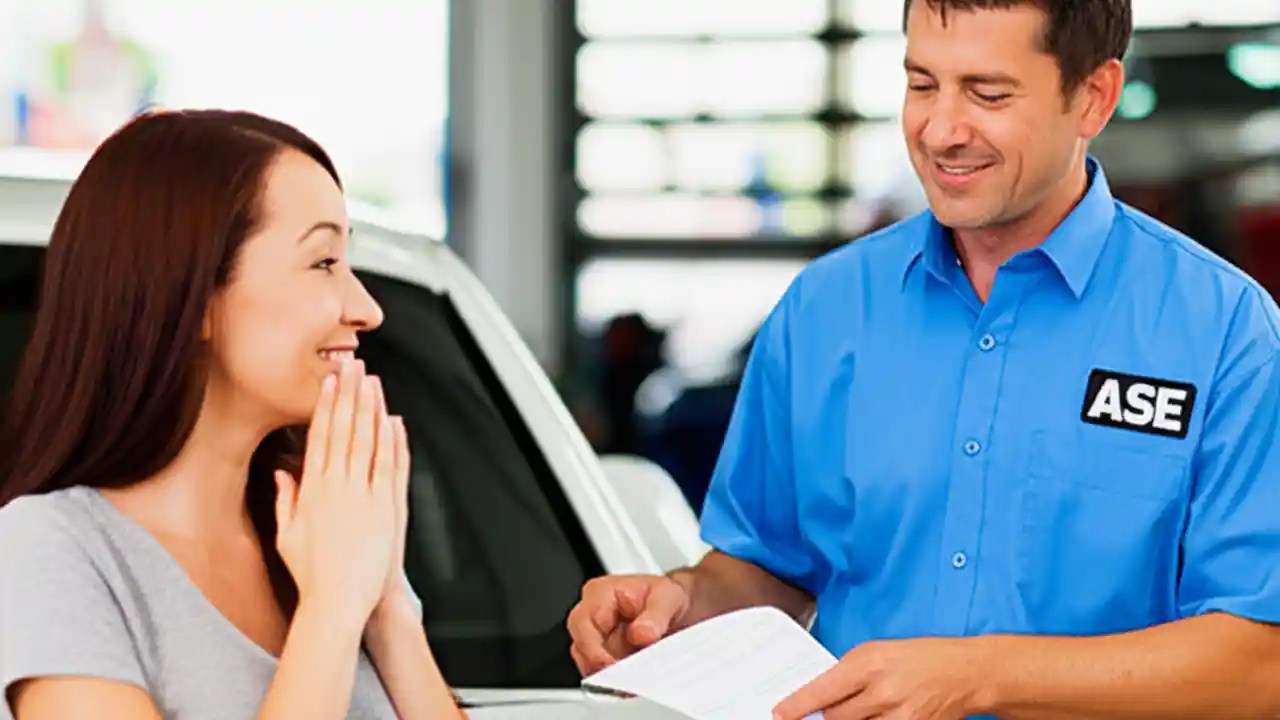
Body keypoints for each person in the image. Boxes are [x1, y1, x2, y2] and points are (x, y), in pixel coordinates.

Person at [567, 1, 1280, 719]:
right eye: (921, 84)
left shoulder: (1223, 332)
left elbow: (1261, 664)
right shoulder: (826, 309)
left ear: (1093, 95)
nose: (941, 130)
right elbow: (765, 568)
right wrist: (679, 607)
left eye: (987, 94)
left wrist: (984, 675)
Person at [0, 110, 466, 720]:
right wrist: (331, 608)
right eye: (324, 263)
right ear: (193, 298)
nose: (366, 308)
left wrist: (389, 612)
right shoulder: (48, 549)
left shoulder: (328, 528)